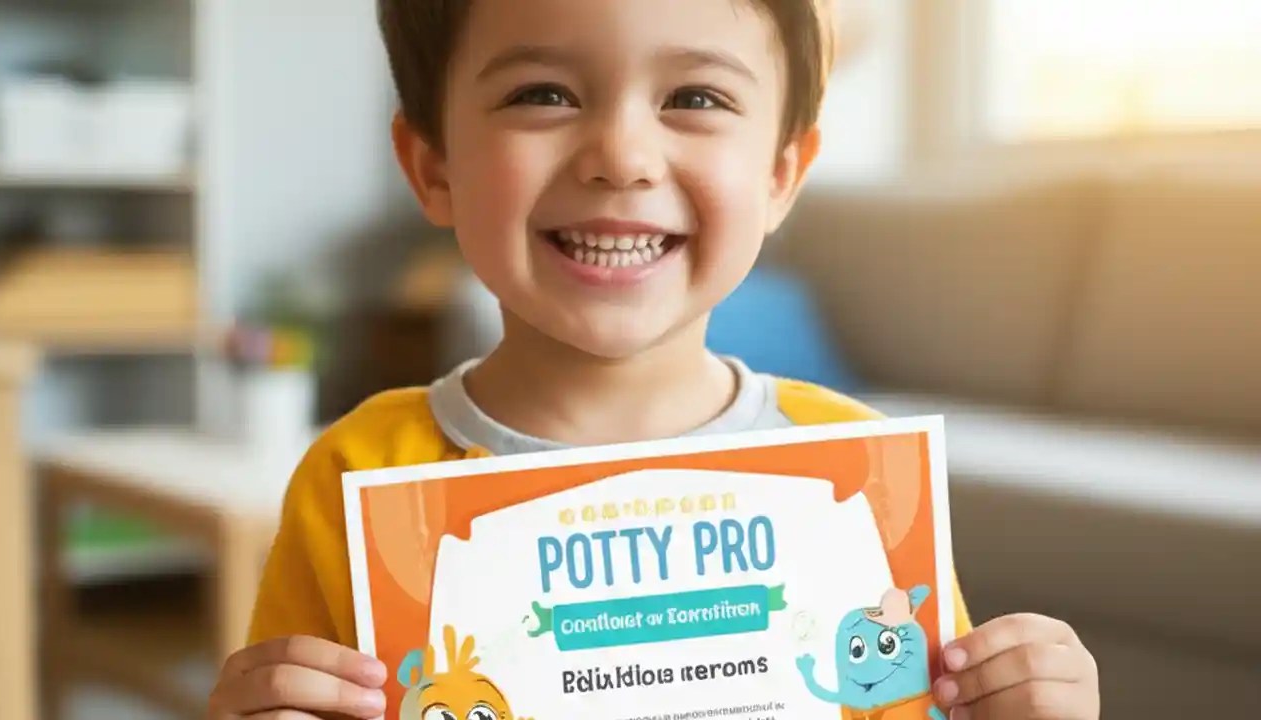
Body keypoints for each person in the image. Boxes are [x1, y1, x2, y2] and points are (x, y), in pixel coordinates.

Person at [207, 1, 1100, 718]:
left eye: (696, 99)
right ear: (433, 167)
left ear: (782, 174)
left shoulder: (858, 478)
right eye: (543, 94)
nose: (623, 157)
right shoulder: (355, 475)